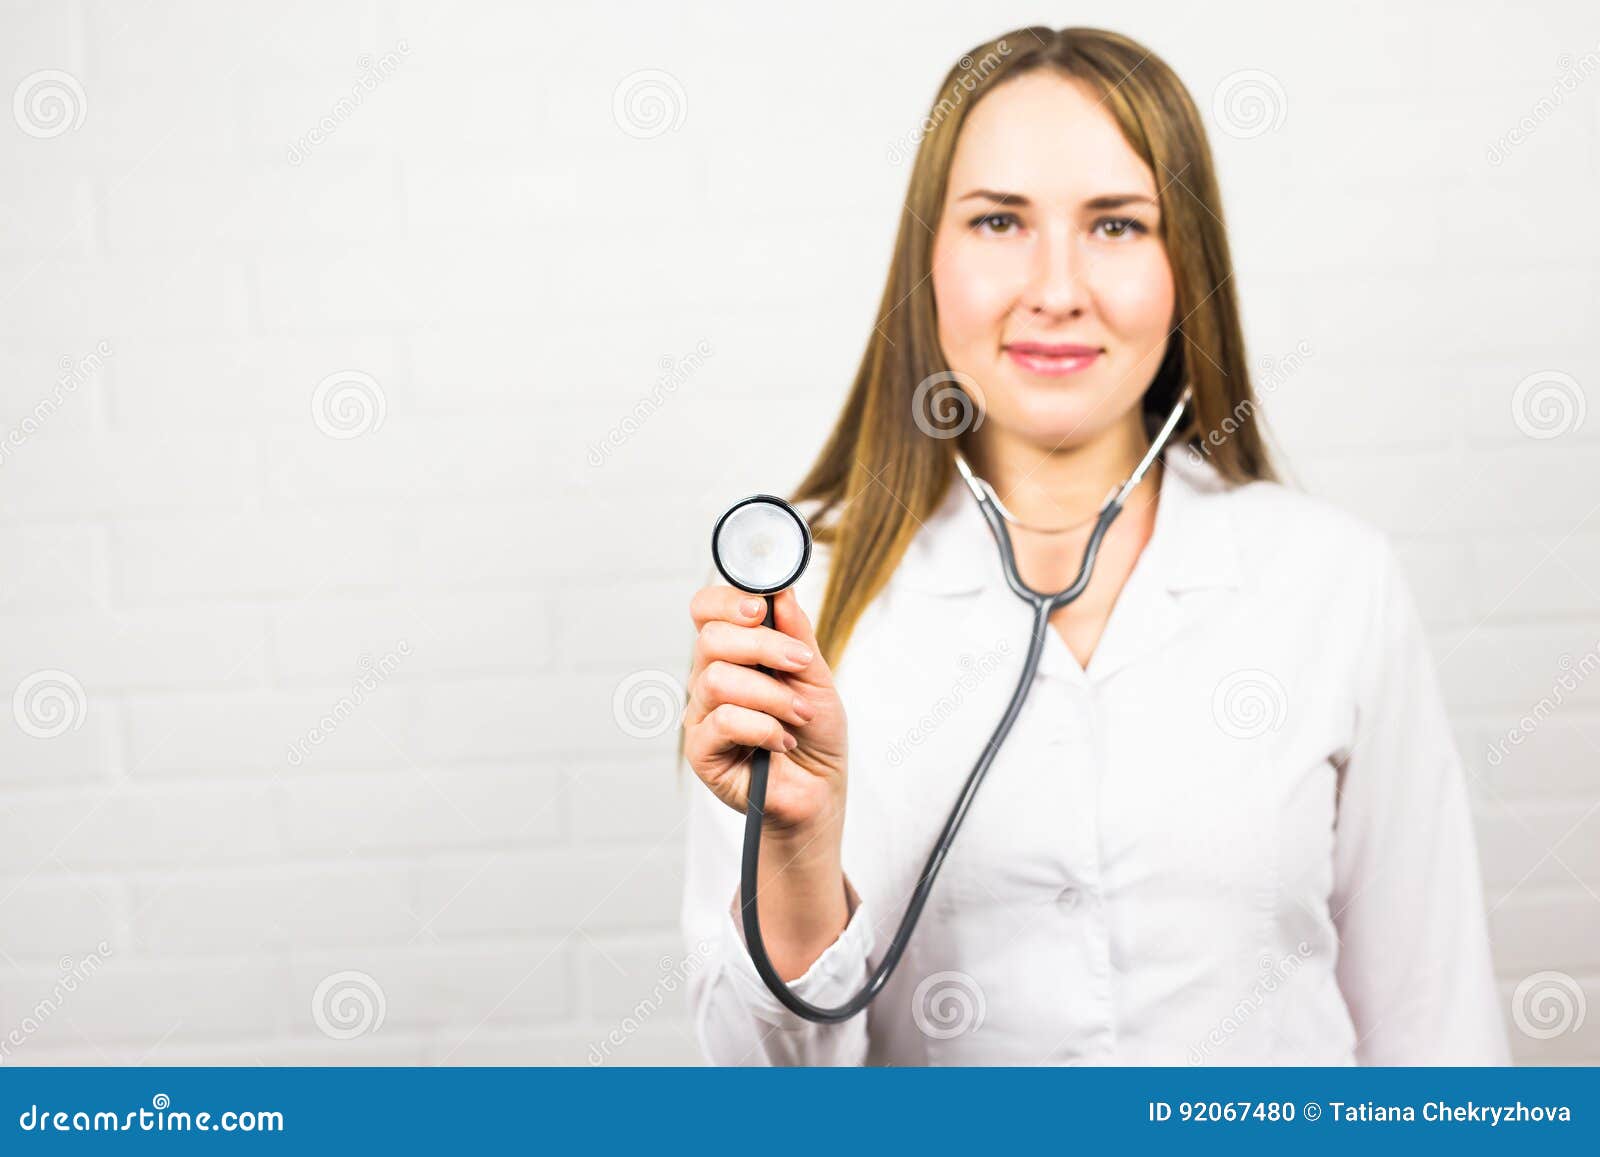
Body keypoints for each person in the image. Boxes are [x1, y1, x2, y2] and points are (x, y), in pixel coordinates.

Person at [675, 25, 1509, 1066]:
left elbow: (1435, 1027)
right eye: (997, 221)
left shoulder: (1332, 579)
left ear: (1182, 265)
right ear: (926, 260)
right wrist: (796, 859)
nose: (1057, 286)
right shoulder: (799, 611)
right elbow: (763, 1098)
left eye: (1116, 225)